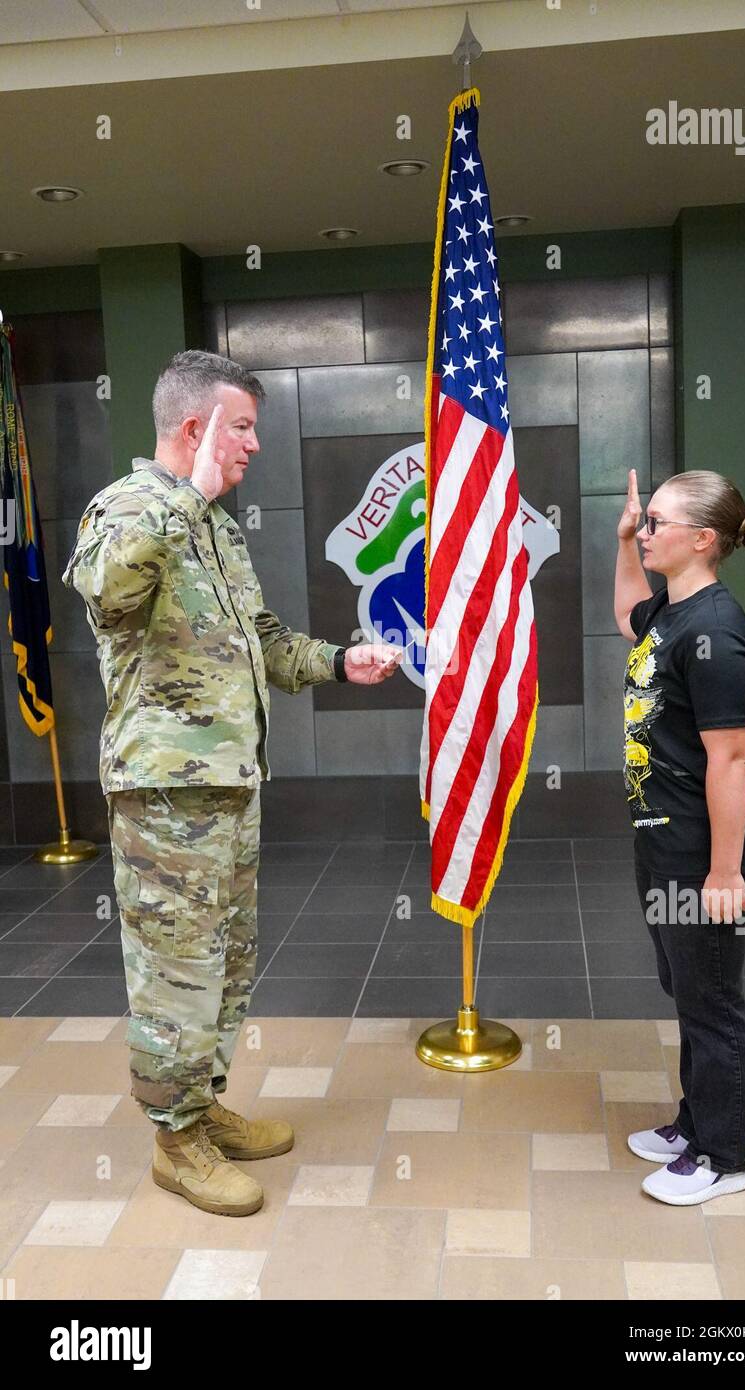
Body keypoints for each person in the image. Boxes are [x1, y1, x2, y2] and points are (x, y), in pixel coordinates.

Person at [63, 350, 402, 1218]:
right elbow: (105, 592)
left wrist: (336, 660)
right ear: (194, 429)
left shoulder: (217, 526)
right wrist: (185, 495)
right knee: (174, 969)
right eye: (242, 427)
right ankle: (174, 1141)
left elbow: (261, 638)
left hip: (230, 790)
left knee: (226, 961)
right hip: (164, 796)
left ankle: (202, 1105)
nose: (254, 445)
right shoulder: (131, 507)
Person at [613, 467, 745, 1207]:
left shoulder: (715, 631)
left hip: (704, 856)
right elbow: (626, 618)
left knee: (711, 999)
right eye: (646, 523)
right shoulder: (671, 615)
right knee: (686, 987)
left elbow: (730, 758)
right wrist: (623, 542)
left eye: (656, 525)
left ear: (702, 539)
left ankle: (724, 1154)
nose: (647, 531)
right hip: (665, 844)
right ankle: (694, 1121)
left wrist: (725, 873)